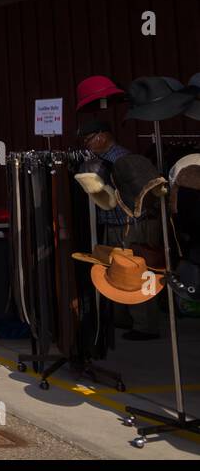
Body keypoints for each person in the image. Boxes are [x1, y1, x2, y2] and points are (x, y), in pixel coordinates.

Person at [80, 119, 160, 340]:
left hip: (130, 224)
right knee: (117, 272)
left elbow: (137, 193)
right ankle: (125, 317)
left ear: (102, 135)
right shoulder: (102, 159)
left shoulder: (122, 158)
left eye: (89, 139)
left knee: (137, 273)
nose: (87, 144)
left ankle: (146, 326)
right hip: (114, 223)